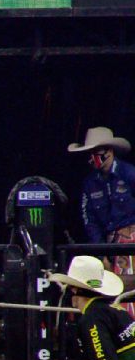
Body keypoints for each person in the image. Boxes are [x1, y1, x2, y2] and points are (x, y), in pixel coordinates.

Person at [72, 127, 135, 316]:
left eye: (96, 153)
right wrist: (102, 254)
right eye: (90, 154)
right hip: (110, 245)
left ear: (108, 151)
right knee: (114, 289)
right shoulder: (90, 183)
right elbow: (89, 221)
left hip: (132, 242)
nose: (92, 158)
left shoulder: (129, 174)